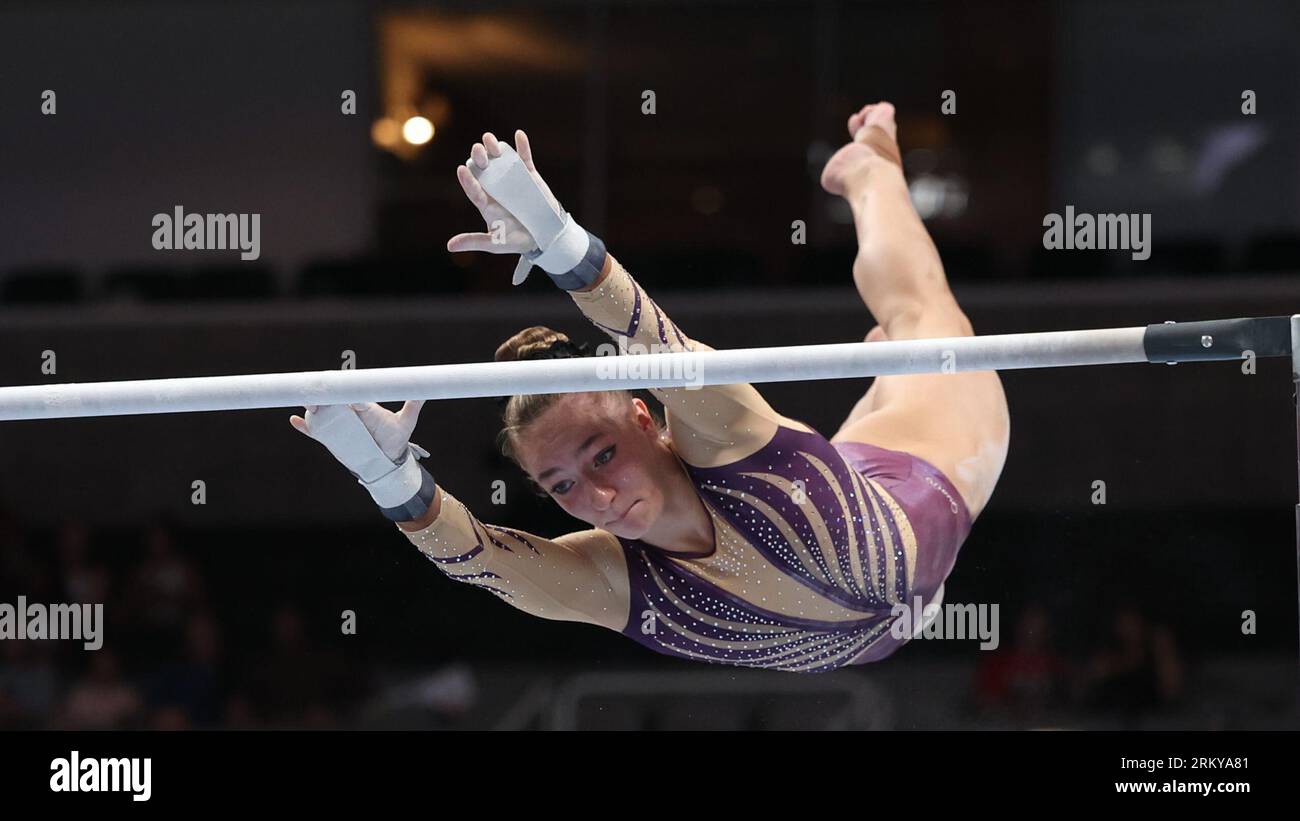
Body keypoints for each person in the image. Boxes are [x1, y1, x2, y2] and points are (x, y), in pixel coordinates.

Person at [291, 102, 1010, 672]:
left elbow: (652, 340)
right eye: (563, 485)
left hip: (912, 494)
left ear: (646, 416)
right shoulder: (614, 581)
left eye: (602, 454)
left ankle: (869, 168)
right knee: (903, 351)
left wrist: (558, 239)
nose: (597, 497)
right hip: (854, 533)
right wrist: (386, 476)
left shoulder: (725, 433)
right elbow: (478, 559)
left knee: (927, 324)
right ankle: (888, 365)